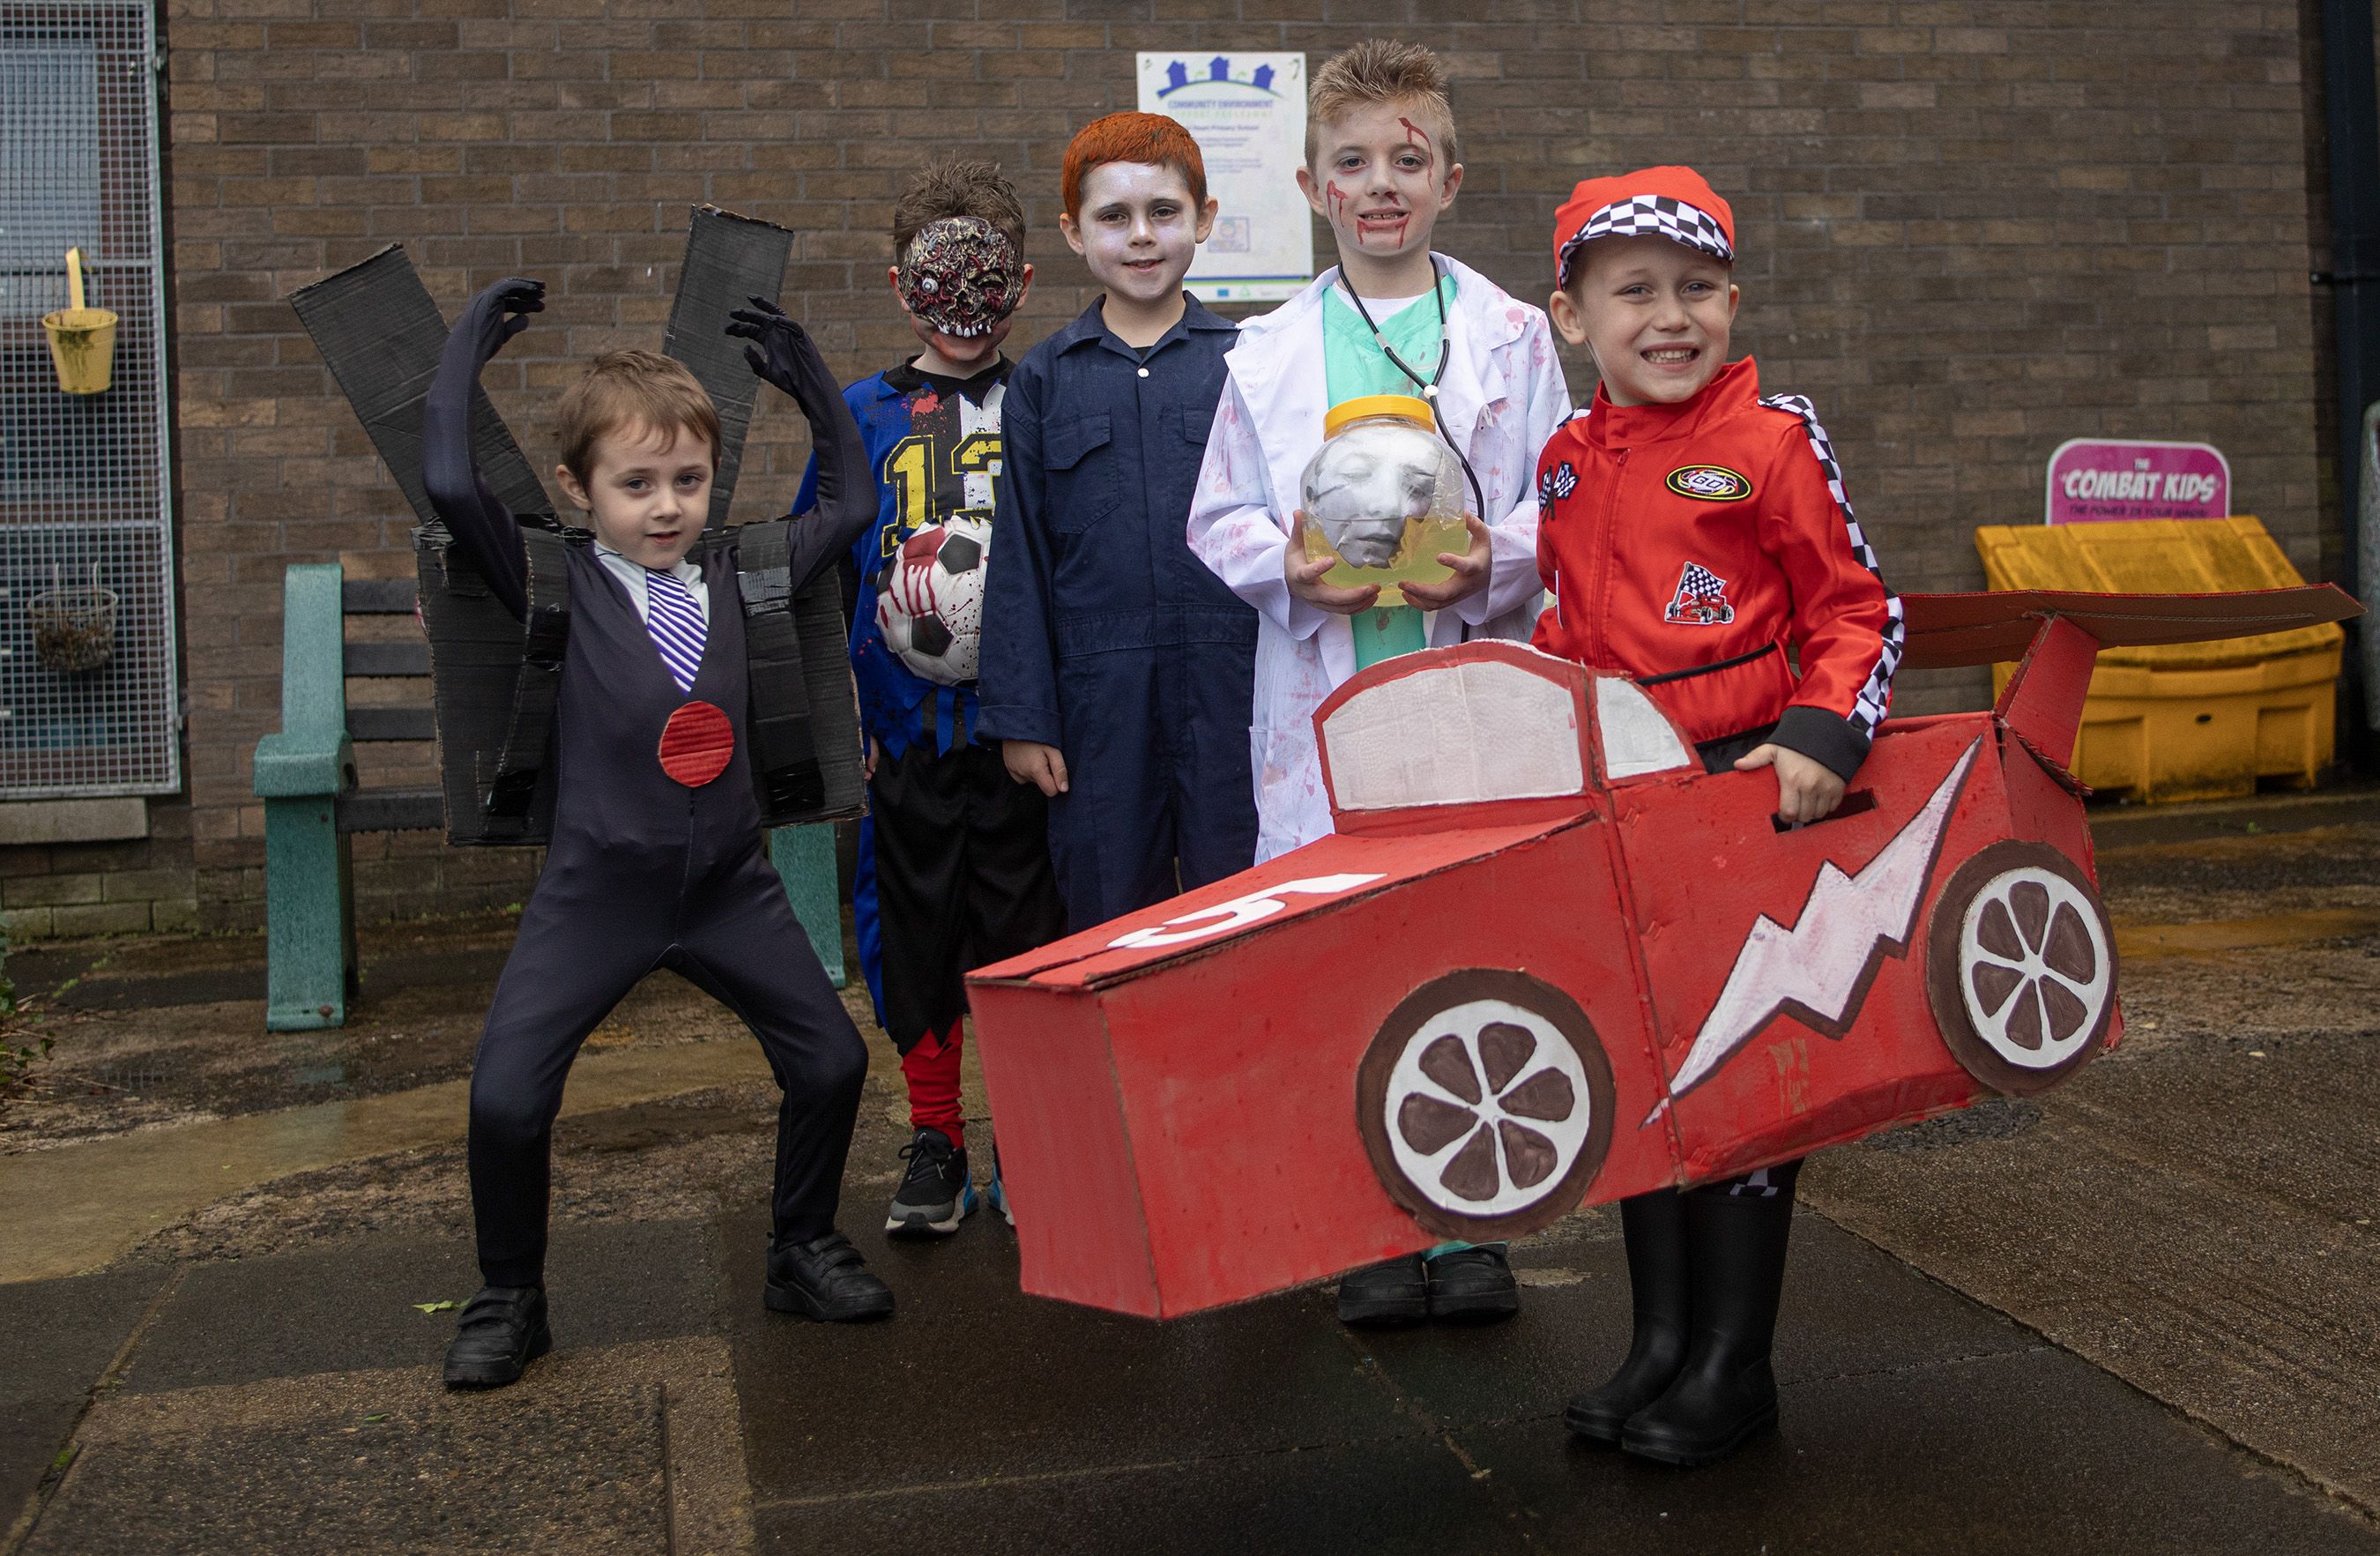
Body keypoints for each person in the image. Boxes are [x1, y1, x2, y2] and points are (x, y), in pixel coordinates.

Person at [420, 279, 896, 1390]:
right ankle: (510, 1295)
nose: (667, 506)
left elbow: (852, 504)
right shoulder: (554, 580)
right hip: (598, 892)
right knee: (506, 1098)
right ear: (577, 488)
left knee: (832, 1060)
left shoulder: (743, 573)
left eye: (688, 480)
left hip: (727, 886)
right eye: (635, 485)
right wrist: (468, 348)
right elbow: (448, 480)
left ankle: (800, 1246)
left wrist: (811, 381)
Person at [1186, 39, 1571, 1329]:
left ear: (1450, 180)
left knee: (1468, 942)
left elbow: (1565, 494)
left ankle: (1470, 1217)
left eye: (1408, 161)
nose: (1380, 185)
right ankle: (1367, 1224)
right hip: (1328, 703)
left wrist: (1495, 561)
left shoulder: (1511, 338)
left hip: (1466, 689)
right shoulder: (1266, 355)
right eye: (1351, 164)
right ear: (1313, 188)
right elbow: (1217, 516)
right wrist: (1294, 570)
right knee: (1344, 948)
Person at [1531, 165, 1903, 1466]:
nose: (1669, 316)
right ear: (1574, 317)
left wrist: (1822, 732)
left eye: (1696, 288)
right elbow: (1565, 629)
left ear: (1733, 302)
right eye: (1634, 291)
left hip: (1749, 788)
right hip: (1622, 797)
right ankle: (1661, 1344)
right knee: (1647, 1066)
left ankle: (1735, 1365)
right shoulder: (1564, 462)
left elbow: (1859, 608)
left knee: (1741, 1073)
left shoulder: (1774, 442)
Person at [791, 160, 1067, 1239]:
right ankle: (937, 1136)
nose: (961, 308)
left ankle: (1028, 1137)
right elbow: (812, 572)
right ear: (900, 288)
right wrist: (840, 723)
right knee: (912, 935)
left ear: (1021, 282)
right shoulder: (859, 415)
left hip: (1022, 736)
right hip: (903, 737)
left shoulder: (1046, 399)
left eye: (983, 281)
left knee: (1027, 935)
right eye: (936, 285)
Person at [978, 111, 1258, 928]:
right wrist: (1024, 718)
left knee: (1245, 899)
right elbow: (1021, 555)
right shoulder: (1045, 379)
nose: (1141, 235)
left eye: (1163, 212)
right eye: (1114, 216)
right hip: (1099, 699)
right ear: (1075, 232)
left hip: (1233, 682)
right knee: (1109, 909)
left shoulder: (1248, 363)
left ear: (1203, 219)